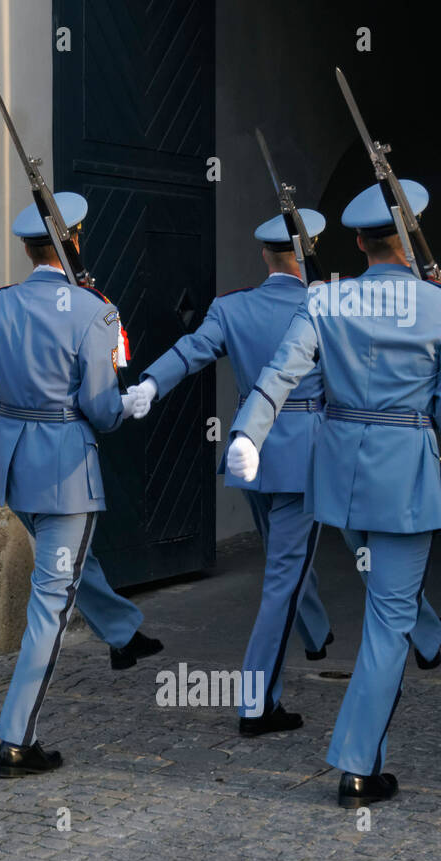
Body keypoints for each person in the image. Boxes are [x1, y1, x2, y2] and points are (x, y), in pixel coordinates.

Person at [226, 180, 441, 807]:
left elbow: (280, 372)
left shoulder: (325, 302)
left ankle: (419, 652)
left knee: (386, 601)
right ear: (409, 237)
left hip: (337, 475)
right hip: (401, 479)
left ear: (360, 241)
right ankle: (359, 766)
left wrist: (247, 434)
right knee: (389, 619)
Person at [0, 192, 157, 778]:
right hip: (65, 469)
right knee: (52, 599)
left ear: (30, 249)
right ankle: (17, 739)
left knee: (70, 565)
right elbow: (99, 410)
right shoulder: (92, 310)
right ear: (73, 241)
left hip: (13, 465)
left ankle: (123, 633)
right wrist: (126, 406)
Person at [125, 209, 335, 734]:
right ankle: (256, 703)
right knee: (282, 580)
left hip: (252, 453)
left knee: (285, 564)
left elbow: (191, 351)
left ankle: (316, 632)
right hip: (305, 457)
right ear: (309, 251)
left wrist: (150, 385)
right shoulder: (327, 308)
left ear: (265, 255)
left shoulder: (233, 306)